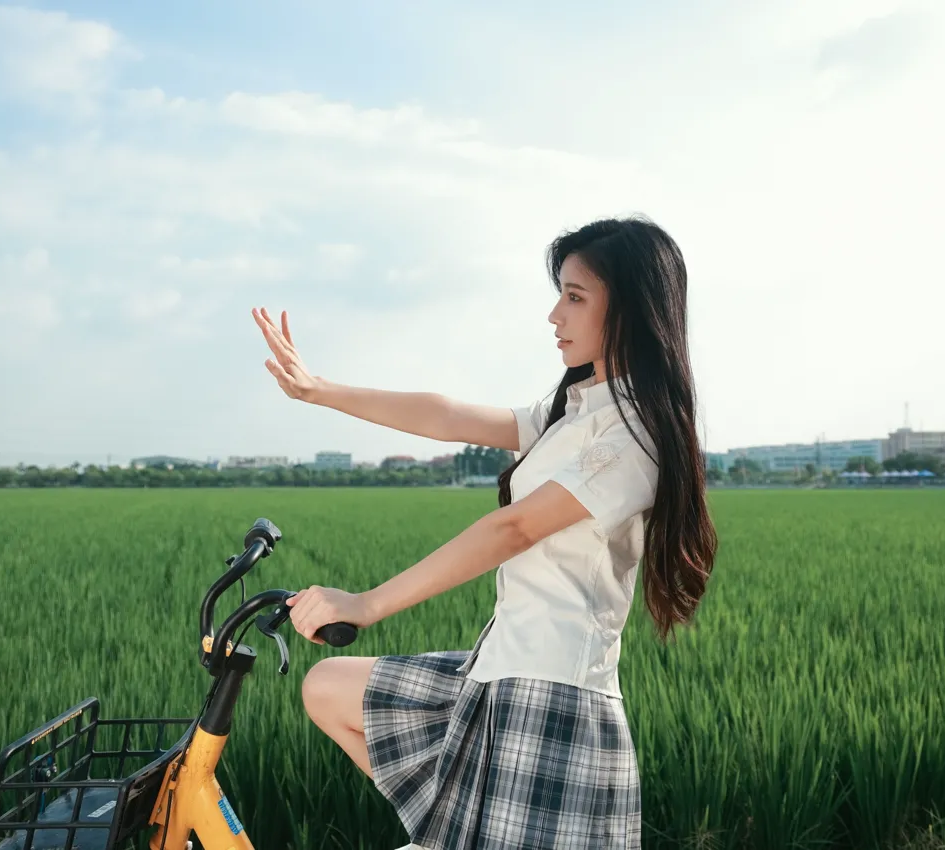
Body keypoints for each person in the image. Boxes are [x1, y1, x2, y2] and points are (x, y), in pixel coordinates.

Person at [251, 214, 718, 850]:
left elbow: (516, 527)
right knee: (327, 686)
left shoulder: (632, 436)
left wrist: (366, 603)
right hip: (495, 674)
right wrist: (320, 391)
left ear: (631, 310)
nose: (556, 315)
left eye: (575, 297)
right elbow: (444, 415)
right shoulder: (571, 412)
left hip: (552, 704)